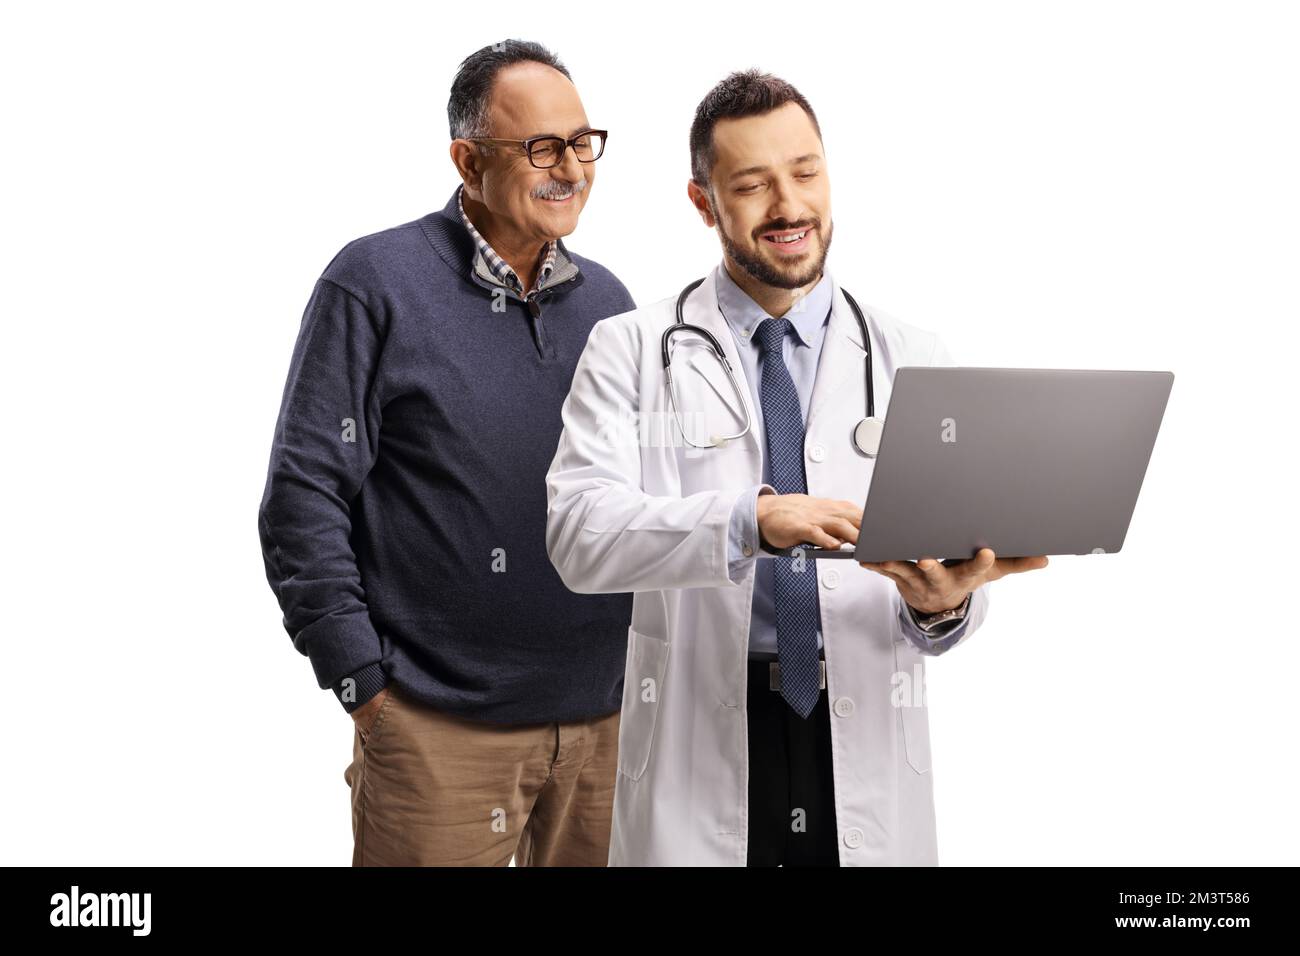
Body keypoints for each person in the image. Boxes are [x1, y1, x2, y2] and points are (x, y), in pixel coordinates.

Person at [545, 69, 1049, 866]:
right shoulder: (631, 348)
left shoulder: (912, 357)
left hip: (861, 724)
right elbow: (579, 534)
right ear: (704, 203)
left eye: (806, 172)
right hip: (702, 730)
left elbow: (950, 575)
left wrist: (941, 607)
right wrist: (747, 523)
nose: (789, 207)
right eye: (752, 185)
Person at [258, 39, 634, 866]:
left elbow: (632, 500)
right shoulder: (375, 281)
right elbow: (302, 496)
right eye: (540, 147)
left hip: (607, 730)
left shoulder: (610, 304)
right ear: (468, 161)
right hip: (439, 733)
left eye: (581, 142)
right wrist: (364, 684)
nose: (569, 167)